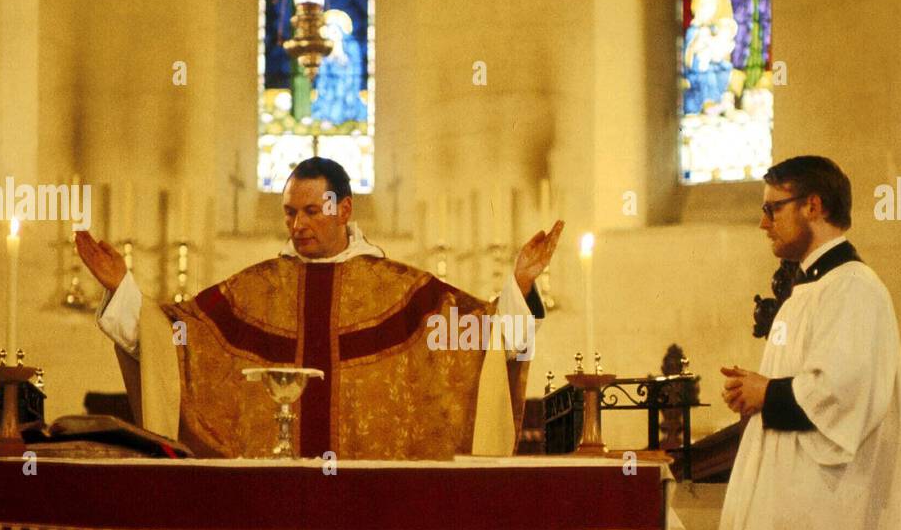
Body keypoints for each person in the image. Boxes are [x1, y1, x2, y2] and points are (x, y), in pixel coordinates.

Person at [76, 157, 563, 459]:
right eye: (290, 212)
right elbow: (175, 337)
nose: (298, 225)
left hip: (372, 503)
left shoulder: (400, 289)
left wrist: (519, 283)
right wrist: (124, 290)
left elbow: (483, 335)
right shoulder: (257, 288)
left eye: (312, 211)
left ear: (345, 210)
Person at [714, 155, 901, 530]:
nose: (764, 223)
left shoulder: (854, 288)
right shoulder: (809, 290)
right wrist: (756, 393)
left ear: (813, 205)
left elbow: (845, 392)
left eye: (772, 209)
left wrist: (769, 394)